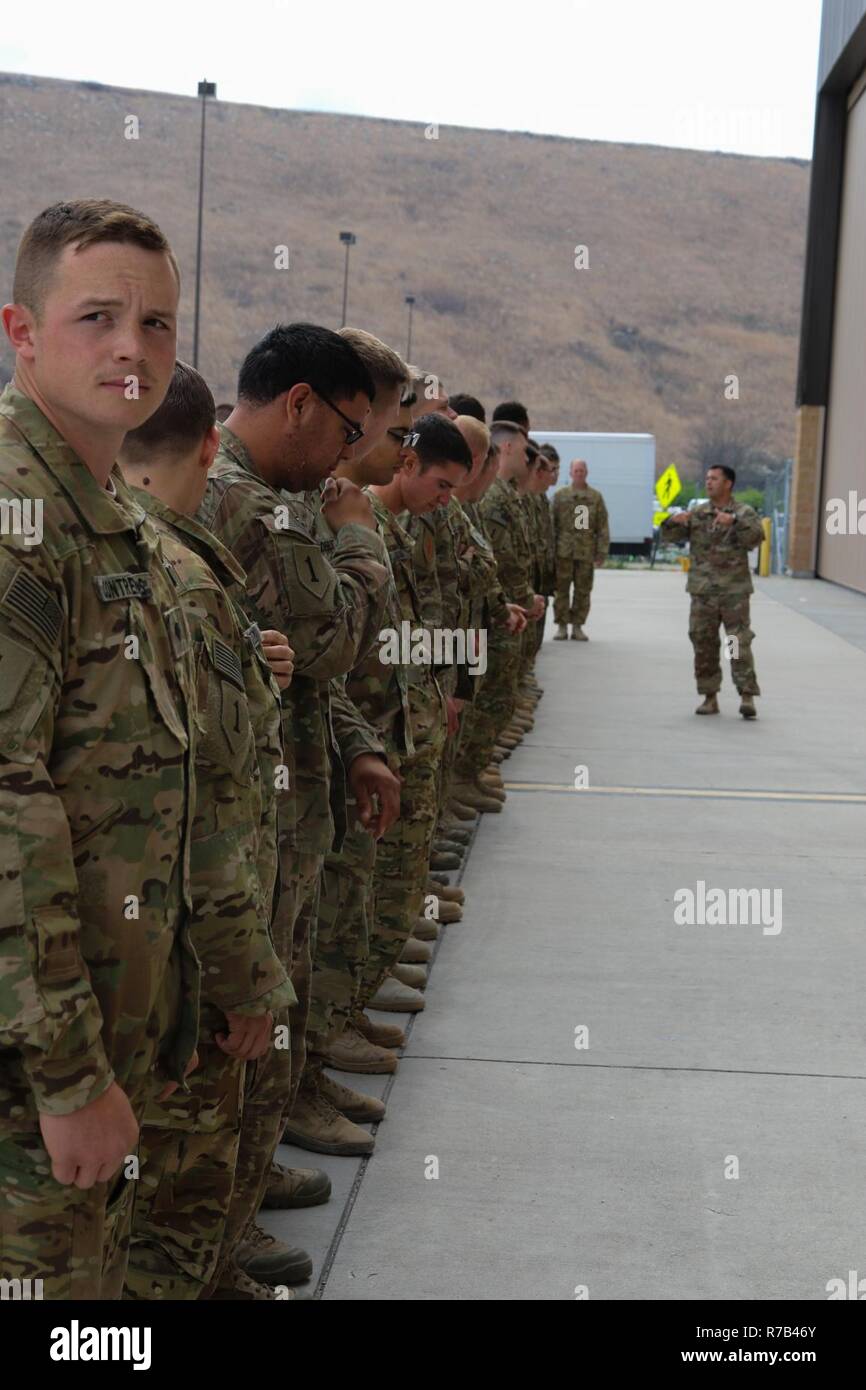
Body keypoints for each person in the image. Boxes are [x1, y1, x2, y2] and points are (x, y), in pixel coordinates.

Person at [0, 198, 198, 1298]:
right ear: (21, 332)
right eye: (97, 317)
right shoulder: (16, 515)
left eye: (159, 323)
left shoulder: (103, 513)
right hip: (33, 1072)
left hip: (101, 1040)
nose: (133, 347)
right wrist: (70, 1075)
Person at [194, 322, 399, 1296]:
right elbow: (342, 637)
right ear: (300, 403)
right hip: (248, 821)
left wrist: (355, 742)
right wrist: (360, 538)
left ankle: (234, 1201)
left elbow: (311, 670)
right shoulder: (246, 505)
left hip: (285, 801)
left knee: (264, 1038)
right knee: (241, 1042)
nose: (354, 455)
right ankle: (210, 1241)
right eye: (350, 429)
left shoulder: (267, 498)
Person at [118, 360, 299, 1300]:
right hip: (187, 963)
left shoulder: (132, 555)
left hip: (139, 950)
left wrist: (256, 661)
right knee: (175, 1216)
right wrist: (243, 977)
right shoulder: (179, 577)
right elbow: (214, 807)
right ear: (209, 444)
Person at [660, 466, 764, 718]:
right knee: (703, 642)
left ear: (728, 483)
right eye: (706, 478)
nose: (708, 482)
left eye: (714, 478)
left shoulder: (743, 512)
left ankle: (746, 694)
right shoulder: (699, 513)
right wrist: (672, 521)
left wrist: (735, 523)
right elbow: (669, 537)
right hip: (703, 591)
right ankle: (709, 697)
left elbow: (755, 538)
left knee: (735, 642)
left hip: (733, 592)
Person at [551, 458, 609, 640]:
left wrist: (601, 552)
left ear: (587, 473)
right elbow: (551, 524)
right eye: (576, 471)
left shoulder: (594, 497)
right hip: (563, 552)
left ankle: (577, 626)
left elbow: (602, 526)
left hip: (585, 552)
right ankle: (561, 625)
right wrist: (550, 551)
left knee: (583, 590)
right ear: (570, 473)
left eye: (582, 471)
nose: (579, 474)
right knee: (561, 589)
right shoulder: (560, 496)